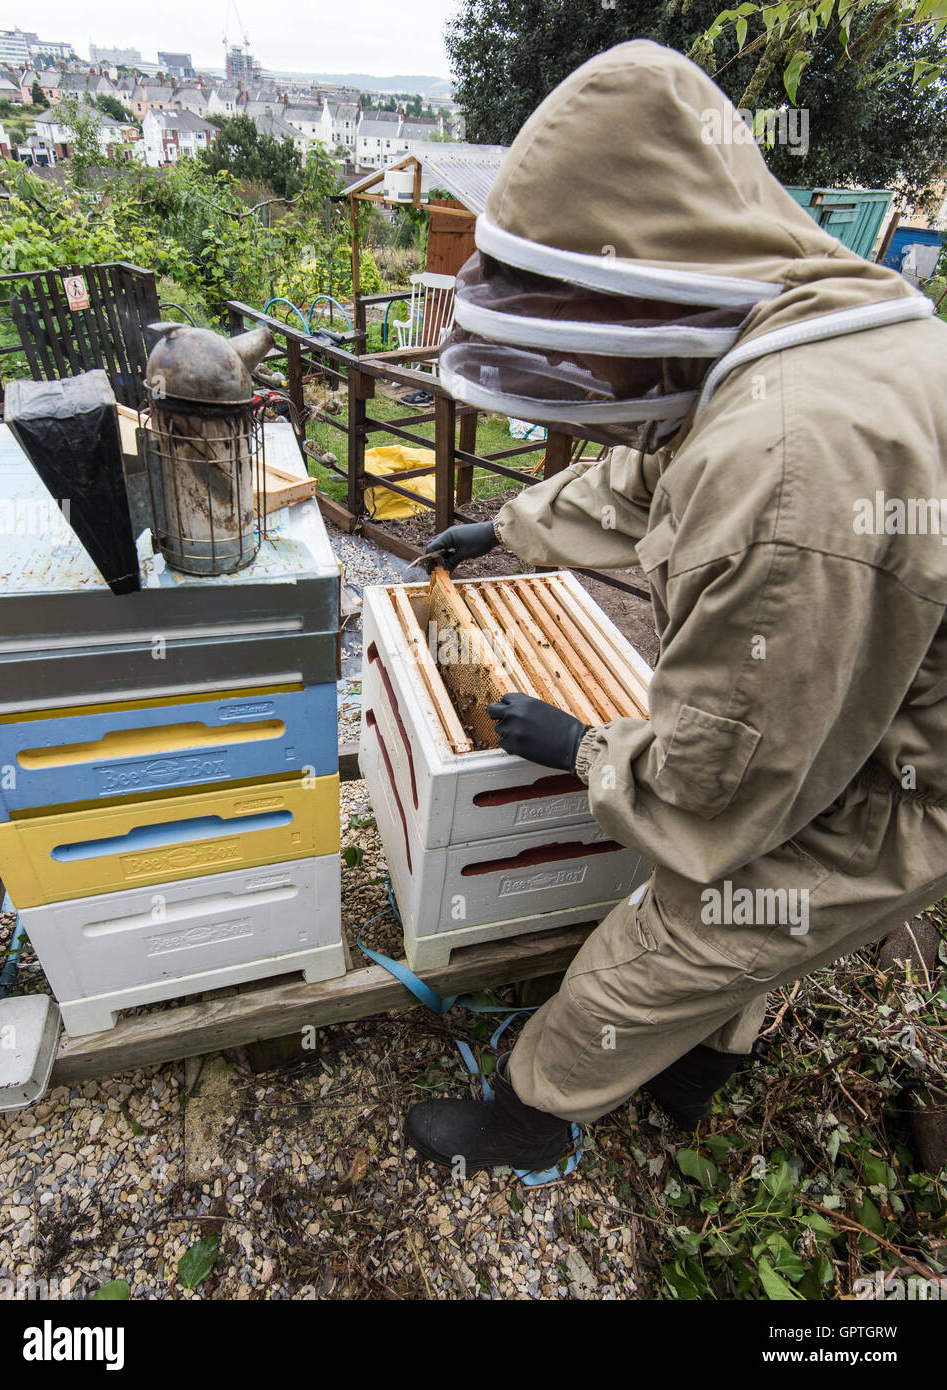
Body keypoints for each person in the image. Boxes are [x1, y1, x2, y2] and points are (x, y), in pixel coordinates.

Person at [402, 40, 947, 1175]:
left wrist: (584, 747)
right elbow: (660, 465)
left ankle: (533, 1111)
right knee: (775, 916)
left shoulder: (785, 472)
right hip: (873, 694)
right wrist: (504, 528)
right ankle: (701, 1069)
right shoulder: (811, 323)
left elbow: (717, 786)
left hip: (906, 768)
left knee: (688, 928)